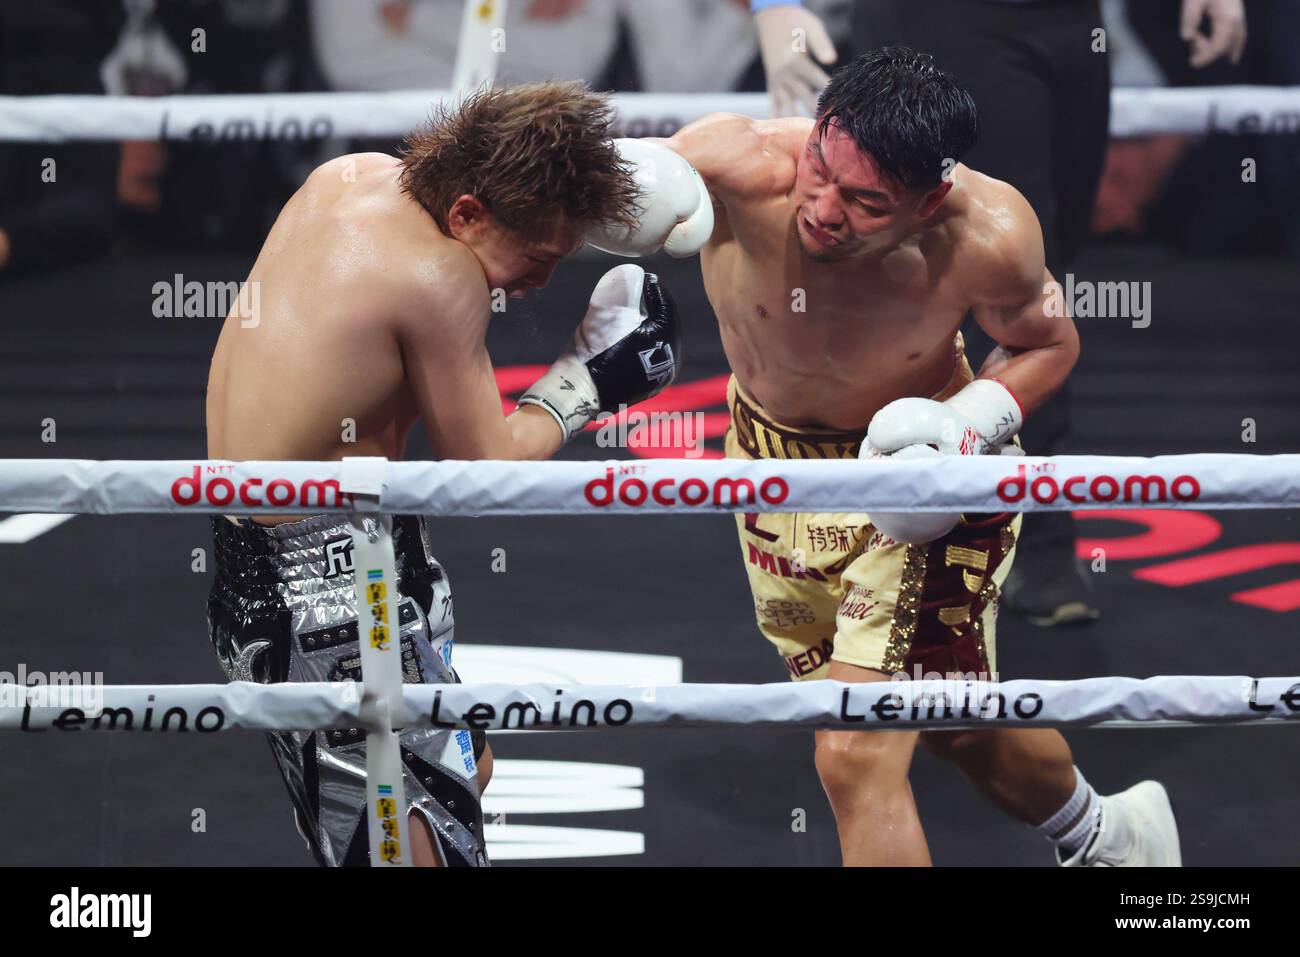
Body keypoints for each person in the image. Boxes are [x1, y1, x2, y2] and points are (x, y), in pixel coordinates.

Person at [588, 48, 1178, 866]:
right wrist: (614, 192)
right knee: (953, 723)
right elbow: (577, 192)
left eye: (866, 202)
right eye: (819, 170)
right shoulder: (734, 162)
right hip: (771, 472)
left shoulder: (991, 233)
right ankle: (1113, 838)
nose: (824, 209)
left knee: (853, 750)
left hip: (921, 485)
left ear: (929, 198)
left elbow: (1049, 340)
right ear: (819, 130)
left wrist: (972, 421)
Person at [205, 82, 694, 866]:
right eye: (536, 258)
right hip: (333, 591)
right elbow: (484, 469)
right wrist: (592, 382)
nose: (537, 282)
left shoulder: (345, 177)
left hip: (288, 558)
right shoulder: (439, 276)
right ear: (466, 211)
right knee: (402, 842)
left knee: (461, 767)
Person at [752, 0, 1247, 626]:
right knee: (983, 254)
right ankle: (1017, 536)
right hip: (945, 22)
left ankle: (965, 503)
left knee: (1047, 252)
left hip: (1070, 25)